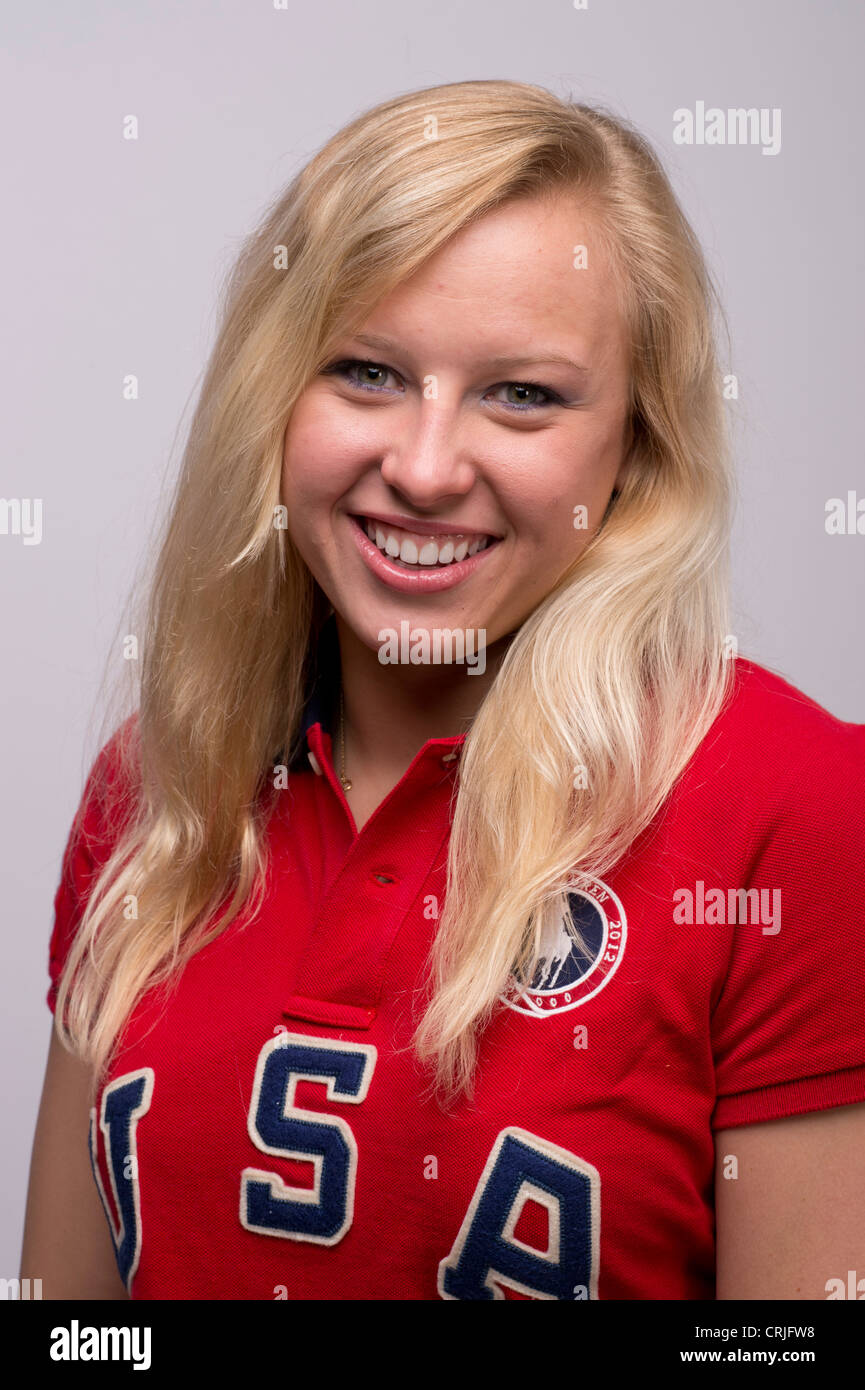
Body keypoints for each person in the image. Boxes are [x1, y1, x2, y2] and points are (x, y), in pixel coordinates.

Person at [20, 78, 865, 1301]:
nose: (421, 467)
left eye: (522, 394)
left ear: (635, 444)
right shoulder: (158, 784)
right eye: (363, 371)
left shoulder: (798, 809)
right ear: (274, 396)